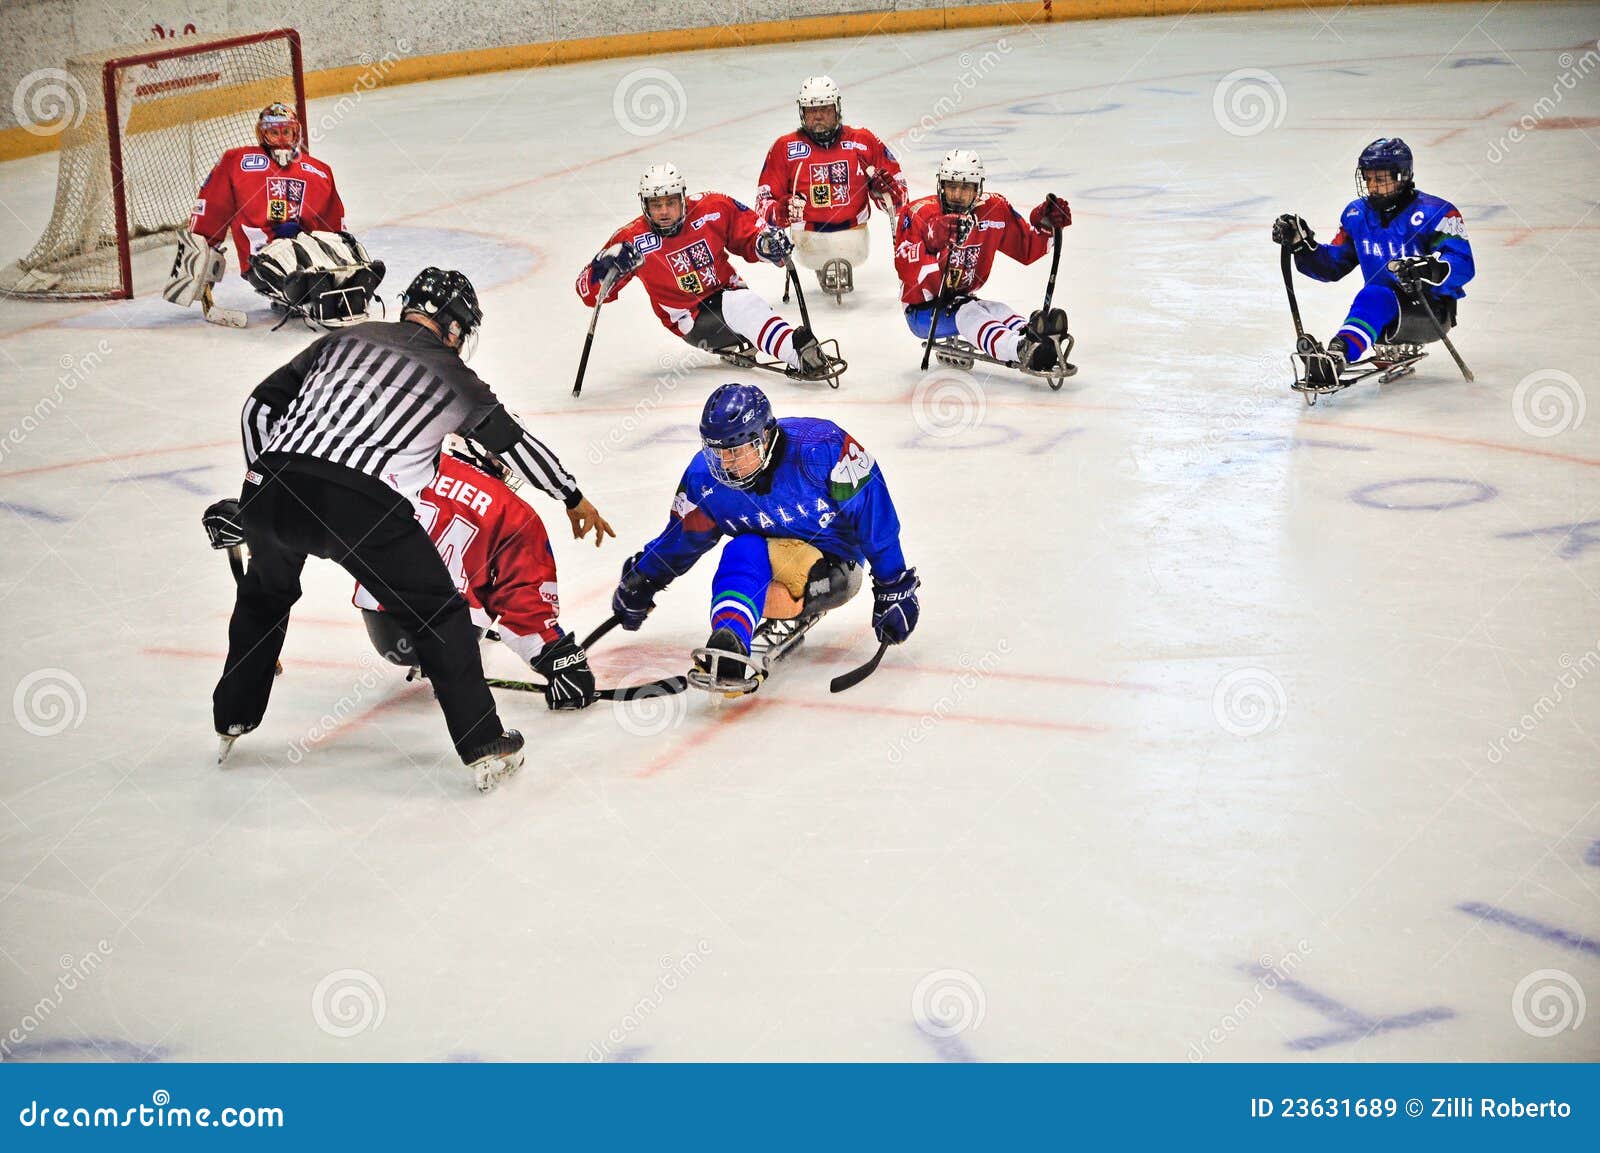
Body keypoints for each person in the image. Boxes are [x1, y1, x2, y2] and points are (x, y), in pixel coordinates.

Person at [208, 267, 613, 791]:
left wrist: (255, 486)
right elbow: (514, 444)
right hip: (358, 500)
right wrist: (571, 495)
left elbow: (258, 408)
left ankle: (233, 716)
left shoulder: (344, 338)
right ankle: (482, 742)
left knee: (264, 596)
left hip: (274, 482)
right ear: (453, 326)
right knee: (439, 614)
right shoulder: (453, 374)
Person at [609, 383, 918, 693]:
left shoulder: (822, 449)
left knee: (760, 571)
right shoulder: (703, 477)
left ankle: (734, 627)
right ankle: (730, 641)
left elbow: (872, 512)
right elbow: (683, 536)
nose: (725, 464)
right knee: (743, 548)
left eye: (735, 451)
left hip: (834, 562)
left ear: (766, 437)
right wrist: (644, 578)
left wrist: (893, 584)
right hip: (760, 557)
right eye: (717, 452)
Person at [354, 439, 592, 709]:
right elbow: (524, 599)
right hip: (450, 631)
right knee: (489, 571)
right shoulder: (513, 510)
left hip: (383, 624)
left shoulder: (402, 463)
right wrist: (559, 660)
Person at [575, 163, 832, 377]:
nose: (664, 212)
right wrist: (604, 269)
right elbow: (586, 291)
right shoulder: (631, 239)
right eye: (656, 204)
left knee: (742, 303)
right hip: (691, 318)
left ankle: (754, 341)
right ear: (644, 204)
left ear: (682, 198)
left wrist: (765, 243)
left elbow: (750, 234)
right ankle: (798, 354)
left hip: (729, 293)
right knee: (743, 305)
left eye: (670, 202)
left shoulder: (713, 207)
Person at [1272, 137, 1475, 385]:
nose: (1372, 187)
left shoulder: (1437, 212)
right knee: (1377, 295)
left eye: (1380, 180)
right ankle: (1338, 354)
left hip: (1430, 311)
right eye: (1368, 179)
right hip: (1384, 310)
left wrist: (1428, 269)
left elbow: (1463, 264)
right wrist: (1302, 246)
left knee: (1375, 294)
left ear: (1402, 176)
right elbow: (1332, 266)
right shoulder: (1357, 214)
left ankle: (1337, 356)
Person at [167, 102, 382, 325]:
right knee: (290, 253)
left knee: (330, 248)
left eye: (286, 132)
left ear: (295, 133)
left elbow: (332, 227)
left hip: (307, 251)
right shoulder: (237, 163)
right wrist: (198, 260)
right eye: (274, 132)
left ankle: (349, 279)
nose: (281, 139)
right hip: (262, 258)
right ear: (263, 135)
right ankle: (311, 285)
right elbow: (212, 209)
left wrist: (340, 251)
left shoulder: (319, 171)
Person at [894, 149, 1072, 371]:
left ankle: (1035, 339)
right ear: (941, 185)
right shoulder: (918, 214)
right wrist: (931, 243)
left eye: (966, 187)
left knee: (998, 310)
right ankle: (1018, 349)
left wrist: (1046, 226)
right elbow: (905, 269)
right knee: (969, 313)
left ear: (978, 188)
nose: (957, 194)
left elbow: (1027, 249)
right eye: (951, 186)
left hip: (962, 299)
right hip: (922, 311)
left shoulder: (995, 209)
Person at [753, 75, 908, 297]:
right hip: (806, 240)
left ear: (837, 108)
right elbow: (762, 204)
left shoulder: (863, 141)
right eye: (811, 110)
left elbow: (901, 201)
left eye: (824, 109)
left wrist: (888, 192)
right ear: (802, 112)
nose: (818, 116)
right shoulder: (784, 148)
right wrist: (778, 212)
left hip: (854, 238)